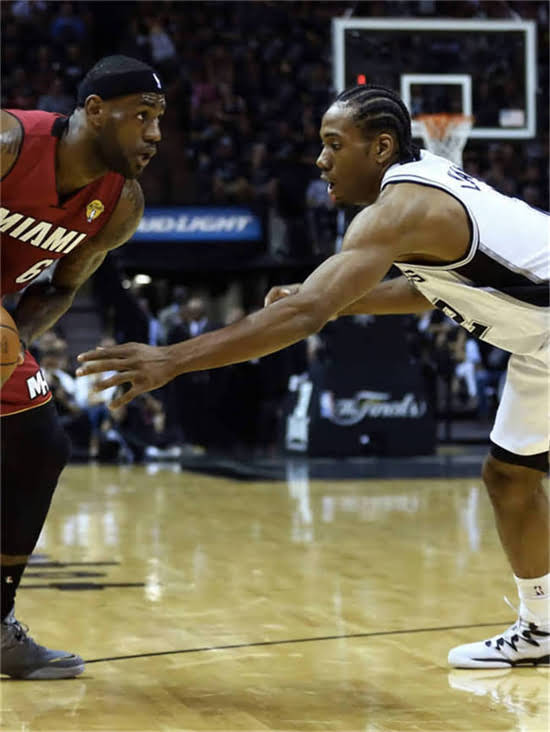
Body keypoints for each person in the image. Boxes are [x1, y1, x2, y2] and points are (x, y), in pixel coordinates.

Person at [77, 84, 549, 669]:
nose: (321, 160)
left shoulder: (397, 212)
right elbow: (436, 289)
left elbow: (303, 317)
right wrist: (339, 299)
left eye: (334, 144)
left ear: (381, 147)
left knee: (513, 478)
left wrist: (171, 359)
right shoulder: (419, 188)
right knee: (509, 479)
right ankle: (542, 627)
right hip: (538, 344)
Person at [0, 54, 165, 679]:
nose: (155, 133)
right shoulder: (9, 144)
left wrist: (14, 346)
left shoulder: (121, 205)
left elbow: (61, 288)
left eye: (160, 119)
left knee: (41, 444)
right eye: (141, 116)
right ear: (94, 111)